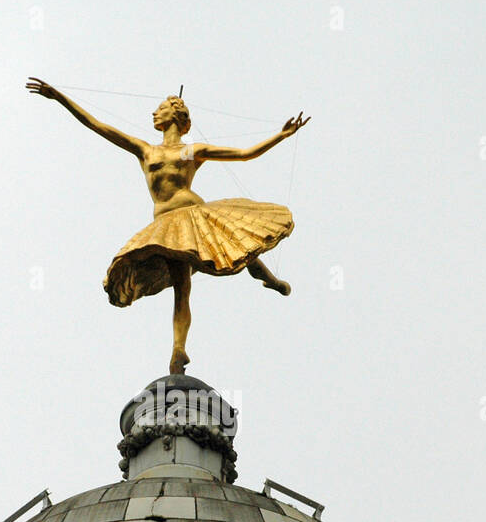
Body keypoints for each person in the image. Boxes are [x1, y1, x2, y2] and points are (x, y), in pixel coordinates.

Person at [26, 78, 308, 373]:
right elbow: (99, 127)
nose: (153, 114)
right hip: (167, 224)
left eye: (159, 109)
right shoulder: (146, 150)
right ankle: (179, 349)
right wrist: (60, 97)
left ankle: (270, 280)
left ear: (175, 116)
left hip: (192, 212)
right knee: (182, 288)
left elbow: (244, 154)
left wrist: (282, 135)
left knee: (233, 241)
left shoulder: (190, 152)